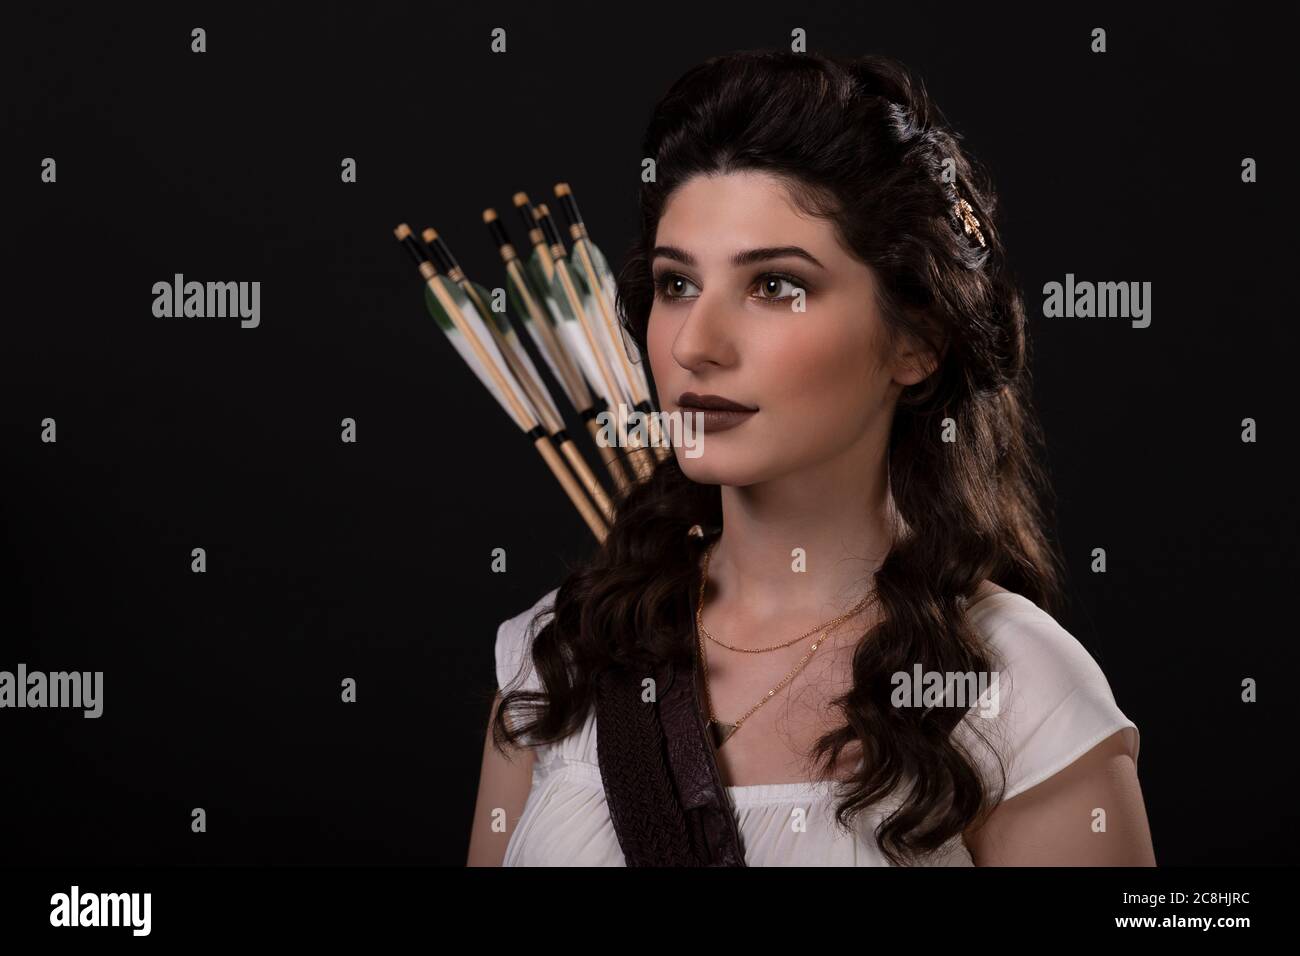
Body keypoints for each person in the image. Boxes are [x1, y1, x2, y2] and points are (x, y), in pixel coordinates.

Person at [467, 49, 1153, 866]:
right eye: (676, 285)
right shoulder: (563, 658)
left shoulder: (1021, 693)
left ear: (918, 340)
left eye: (775, 287)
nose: (694, 344)